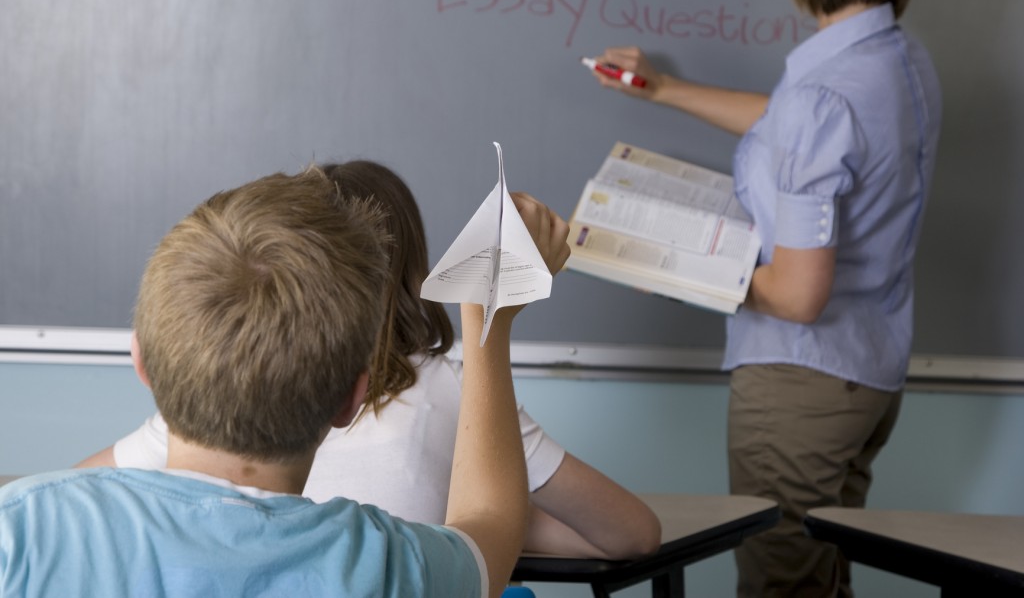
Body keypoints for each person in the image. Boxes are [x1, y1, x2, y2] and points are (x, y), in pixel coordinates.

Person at [0, 166, 572, 597]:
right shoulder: (382, 563)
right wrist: (486, 319)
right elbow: (491, 529)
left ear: (142, 363)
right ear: (353, 398)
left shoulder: (23, 528)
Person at [585, 0, 941, 596]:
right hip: (868, 378)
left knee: (784, 588)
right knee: (821, 582)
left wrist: (684, 260)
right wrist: (661, 90)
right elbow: (796, 126)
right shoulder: (901, 61)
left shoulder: (822, 97)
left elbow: (799, 294)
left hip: (798, 388)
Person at [75, 160, 662, 560]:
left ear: (146, 365)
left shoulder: (203, 411)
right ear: (349, 398)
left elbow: (74, 489)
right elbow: (628, 535)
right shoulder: (448, 406)